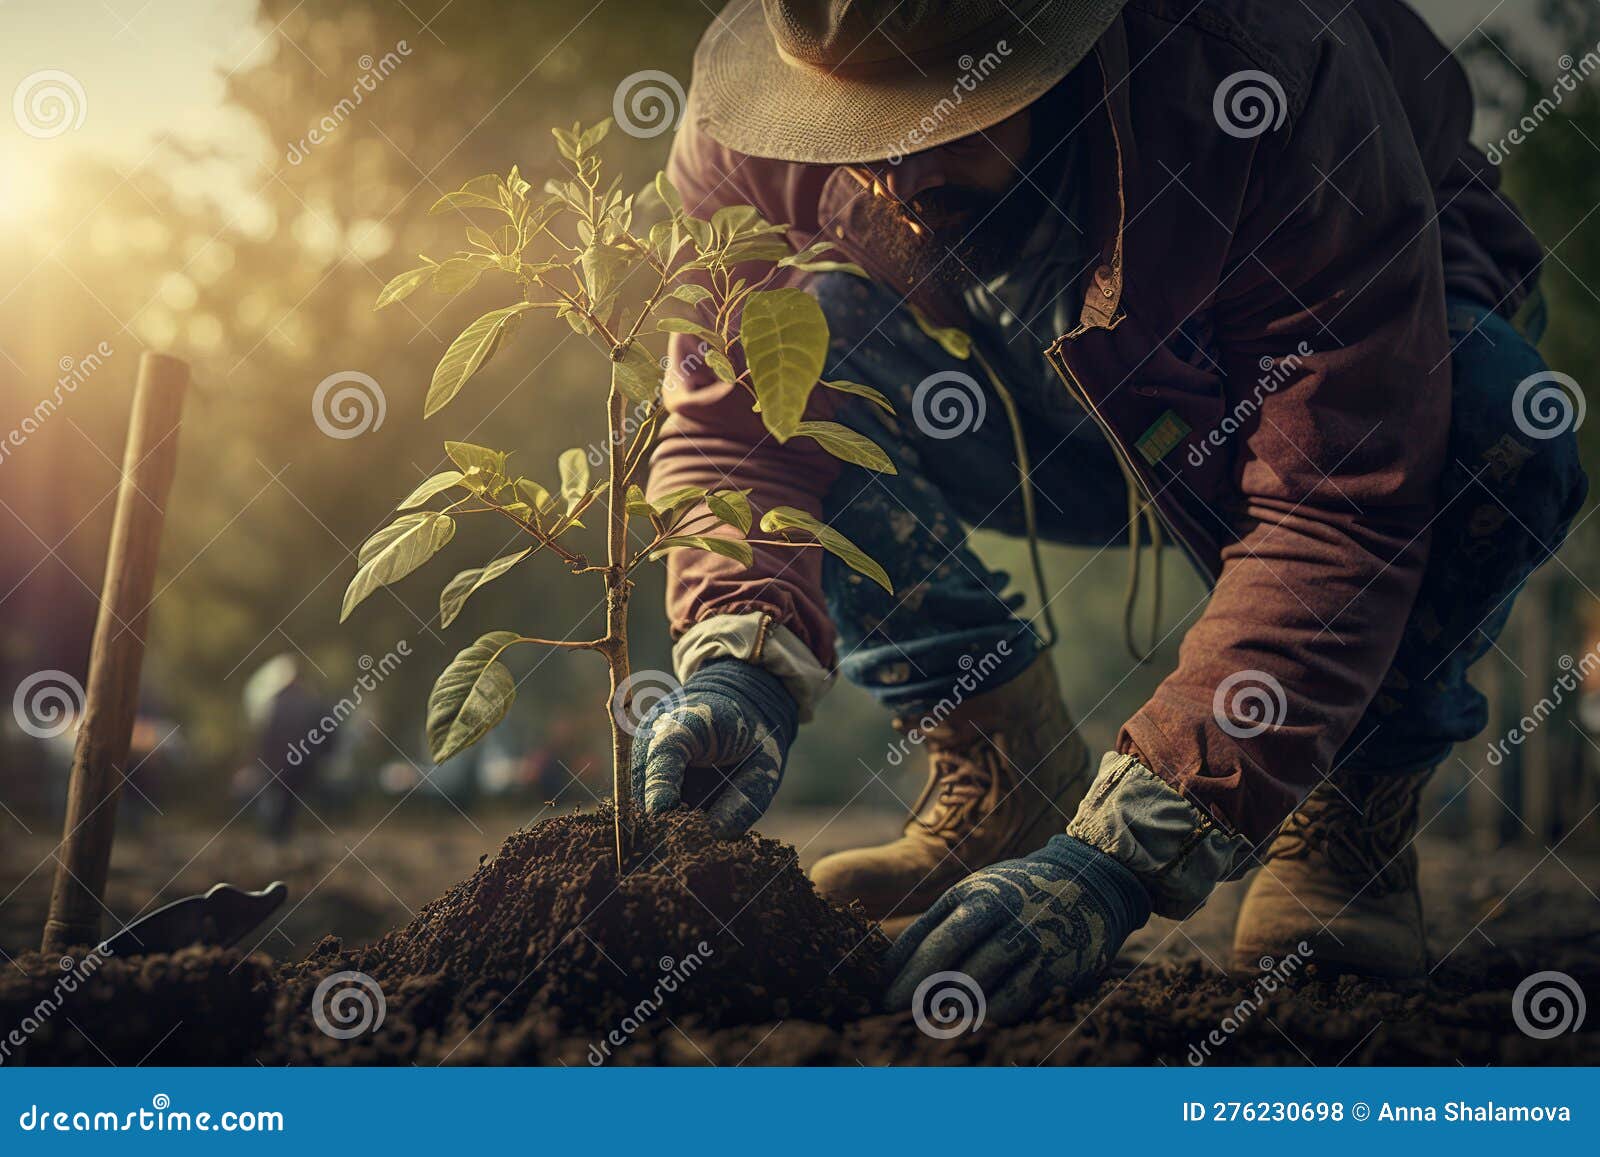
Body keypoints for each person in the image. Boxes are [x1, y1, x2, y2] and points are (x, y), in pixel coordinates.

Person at [630, 0, 1588, 1023]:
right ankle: (1001, 762)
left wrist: (1119, 856)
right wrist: (738, 660)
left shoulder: (1264, 80)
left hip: (1314, 368)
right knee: (803, 337)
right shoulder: (762, 115)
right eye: (857, 137)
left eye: (941, 121)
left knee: (1501, 430)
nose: (896, 179)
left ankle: (1350, 800)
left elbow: (1339, 501)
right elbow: (732, 427)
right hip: (1026, 403)